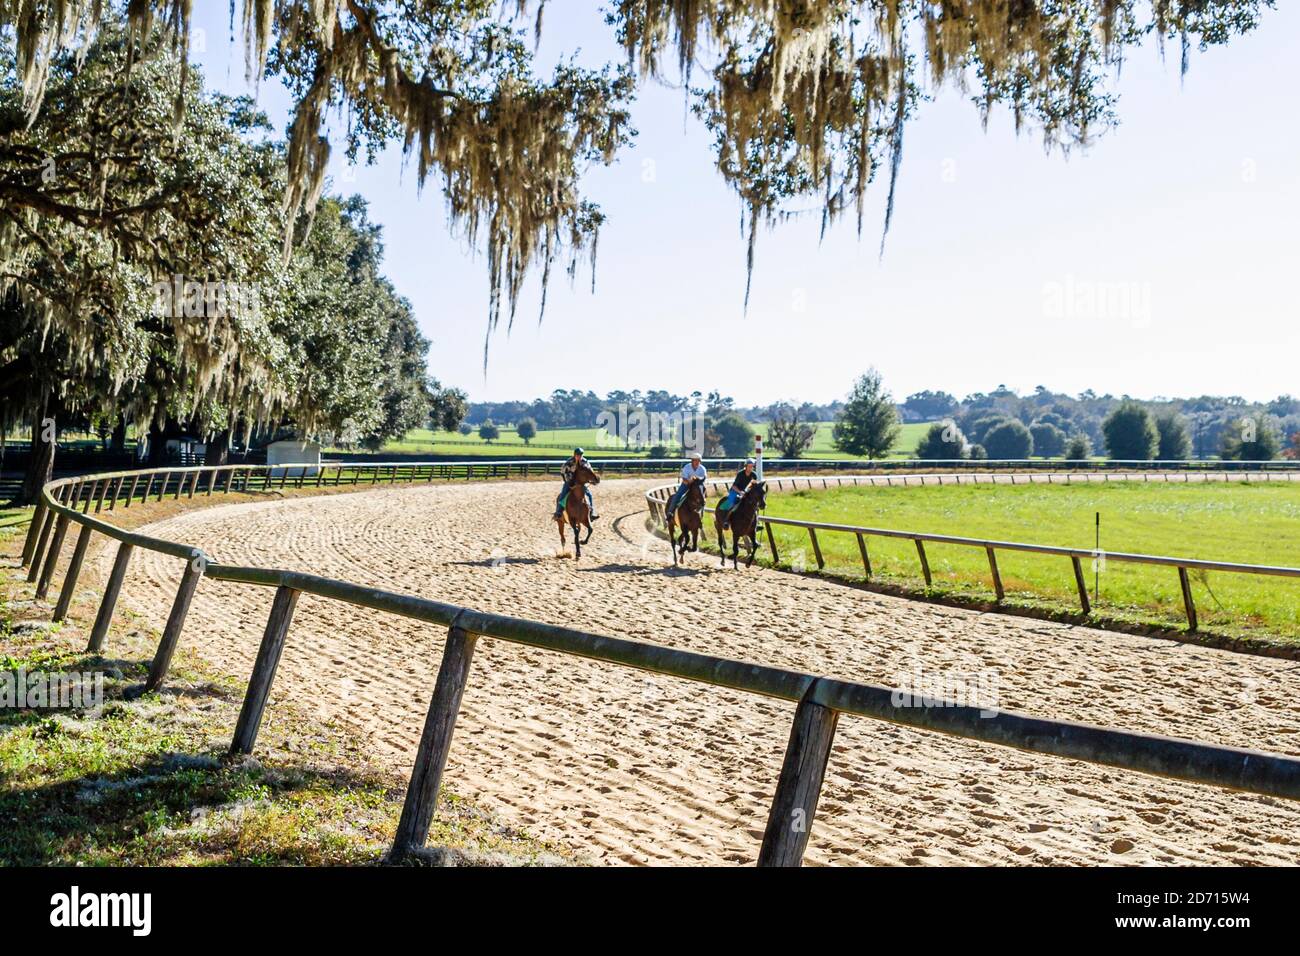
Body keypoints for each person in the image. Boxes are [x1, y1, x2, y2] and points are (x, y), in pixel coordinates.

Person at [553, 447, 598, 520]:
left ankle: (592, 513)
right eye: (578, 455)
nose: (579, 456)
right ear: (574, 455)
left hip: (580, 483)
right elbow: (562, 472)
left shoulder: (585, 462)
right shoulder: (569, 462)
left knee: (589, 495)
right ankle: (558, 512)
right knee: (563, 494)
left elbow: (590, 471)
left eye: (581, 455)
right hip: (569, 481)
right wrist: (567, 481)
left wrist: (591, 480)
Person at [718, 458, 758, 530]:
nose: (750, 468)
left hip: (746, 492)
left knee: (754, 503)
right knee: (732, 501)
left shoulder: (754, 475)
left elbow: (753, 486)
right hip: (735, 491)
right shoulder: (740, 474)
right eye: (749, 466)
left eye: (752, 466)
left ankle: (756, 523)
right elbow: (734, 486)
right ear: (746, 466)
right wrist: (740, 492)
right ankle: (726, 520)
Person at [665, 451, 707, 519]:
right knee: (678, 495)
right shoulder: (687, 467)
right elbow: (684, 479)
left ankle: (701, 515)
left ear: (700, 461)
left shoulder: (702, 469)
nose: (697, 462)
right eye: (695, 460)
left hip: (697, 485)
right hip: (686, 485)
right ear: (692, 461)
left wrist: (696, 479)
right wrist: (690, 481)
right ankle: (670, 512)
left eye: (698, 461)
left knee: (703, 498)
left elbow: (704, 478)